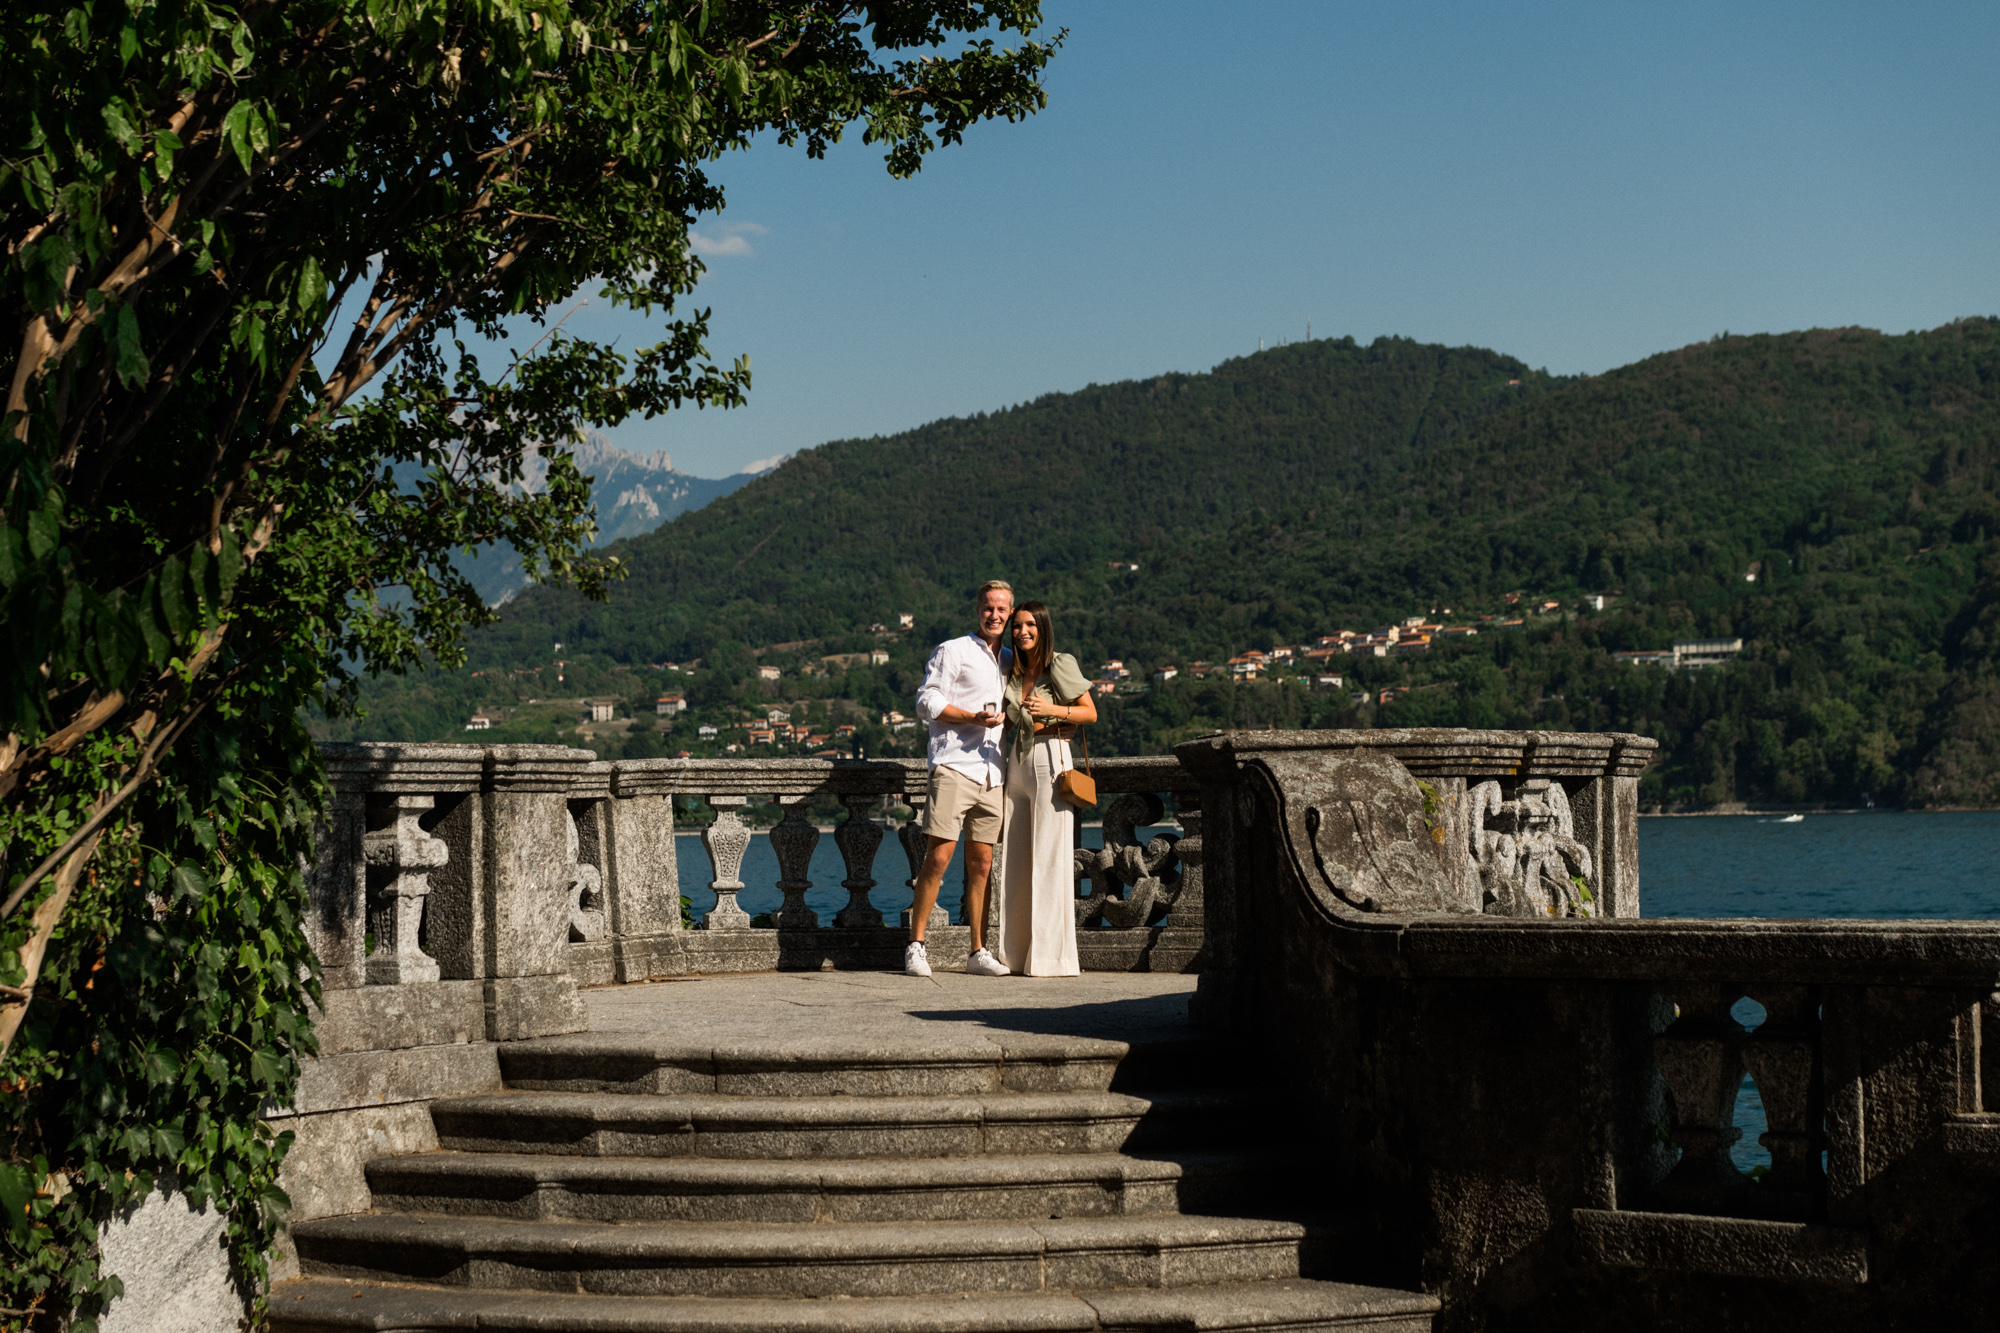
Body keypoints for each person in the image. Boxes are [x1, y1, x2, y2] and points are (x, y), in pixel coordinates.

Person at [905, 580, 1016, 978]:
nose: (995, 615)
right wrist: (971, 717)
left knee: (983, 864)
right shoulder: (952, 650)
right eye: (989, 607)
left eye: (1002, 609)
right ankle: (916, 945)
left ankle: (977, 951)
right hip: (954, 766)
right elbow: (926, 701)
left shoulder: (1009, 660)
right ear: (978, 610)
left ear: (1010, 613)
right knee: (938, 857)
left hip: (993, 771)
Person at [992, 600, 1096, 977]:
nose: (1022, 632)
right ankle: (1017, 957)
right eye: (1017, 626)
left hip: (1051, 759)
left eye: (1030, 625)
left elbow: (1090, 711)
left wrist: (1055, 712)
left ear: (1043, 627)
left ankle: (1052, 959)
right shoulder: (1014, 672)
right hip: (1016, 764)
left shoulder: (1059, 663)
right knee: (1016, 862)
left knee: (1050, 860)